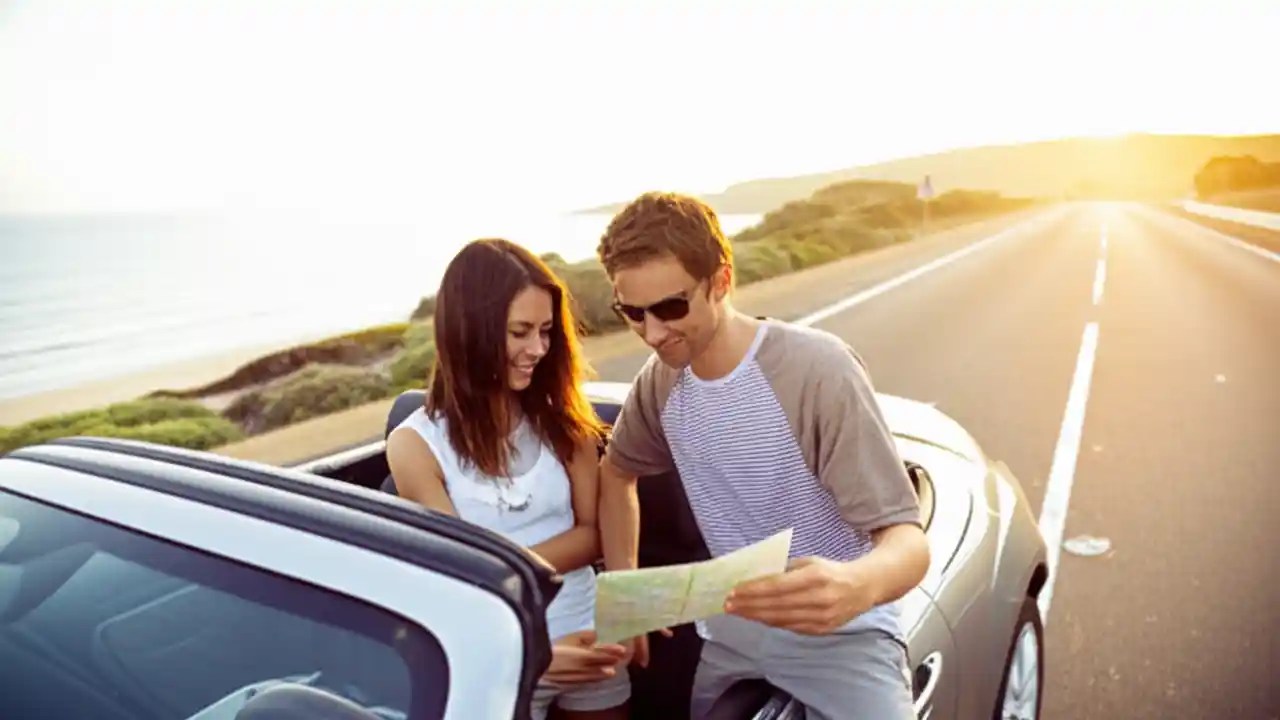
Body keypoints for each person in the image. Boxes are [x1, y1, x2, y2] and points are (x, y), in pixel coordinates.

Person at [594, 192, 930, 720]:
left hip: (841, 635)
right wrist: (628, 600)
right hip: (731, 633)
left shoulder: (818, 370)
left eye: (671, 307)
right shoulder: (658, 385)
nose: (652, 333)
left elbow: (907, 541)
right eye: (632, 313)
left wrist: (856, 585)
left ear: (721, 281)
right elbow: (615, 476)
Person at [386, 238, 630, 720]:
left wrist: (499, 564)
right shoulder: (416, 445)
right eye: (519, 332)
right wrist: (534, 653)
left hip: (589, 634)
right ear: (468, 331)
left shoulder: (564, 420)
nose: (537, 349)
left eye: (545, 331)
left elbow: (592, 534)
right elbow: (458, 572)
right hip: (501, 652)